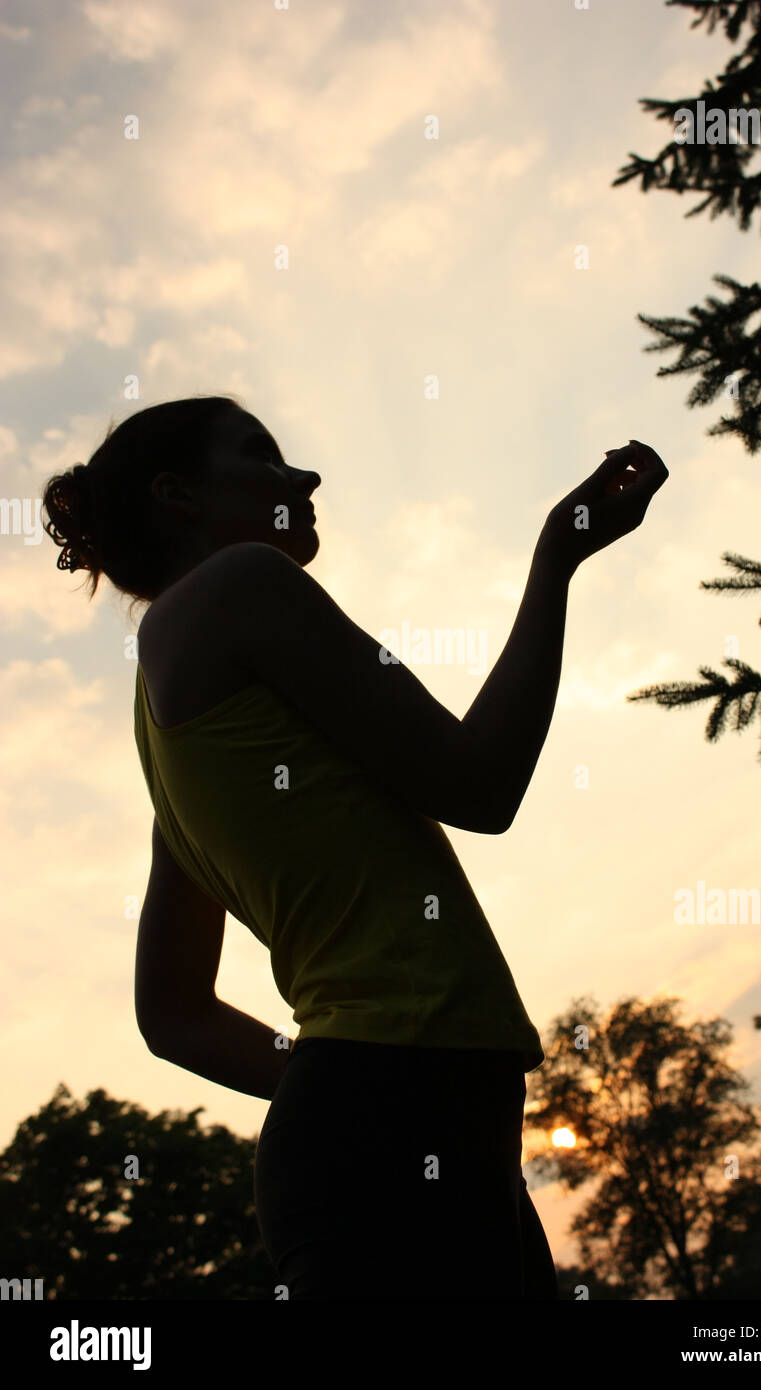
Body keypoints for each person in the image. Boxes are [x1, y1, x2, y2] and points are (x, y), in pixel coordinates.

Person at [41, 395, 668, 1300]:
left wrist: (326, 1082)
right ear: (179, 498)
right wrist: (557, 559)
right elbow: (479, 784)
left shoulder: (167, 727)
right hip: (399, 1123)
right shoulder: (239, 585)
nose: (307, 478)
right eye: (263, 456)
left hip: (373, 1131)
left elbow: (171, 1013)